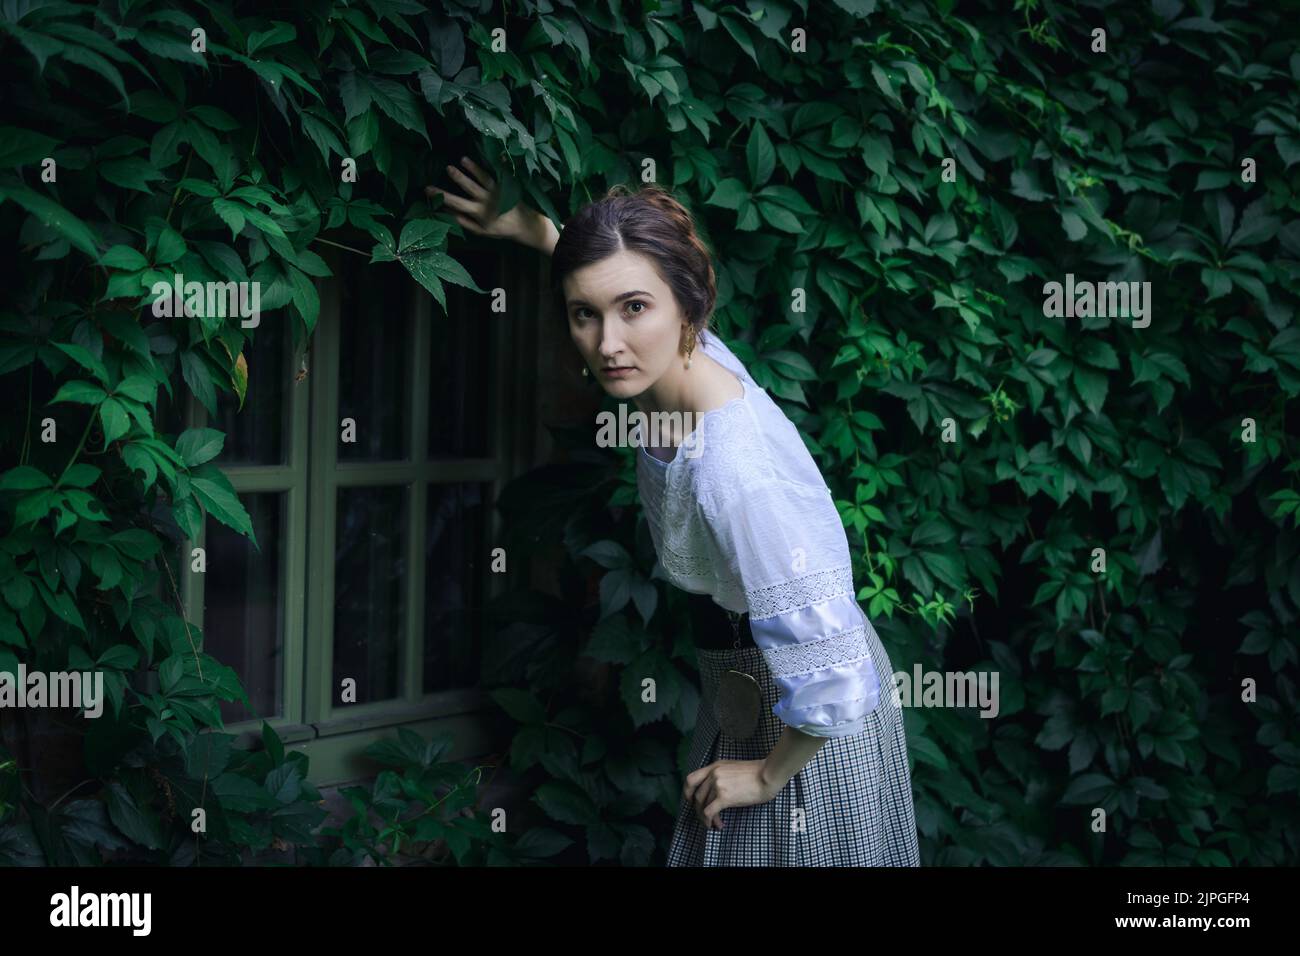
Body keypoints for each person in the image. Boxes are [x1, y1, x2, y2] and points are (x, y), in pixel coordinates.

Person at [428, 158, 921, 866]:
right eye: (583, 315)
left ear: (687, 308)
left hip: (803, 727)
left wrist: (767, 772)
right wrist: (536, 230)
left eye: (633, 311)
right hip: (747, 693)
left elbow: (835, 674)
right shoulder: (681, 358)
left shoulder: (734, 468)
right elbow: (626, 276)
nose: (608, 344)